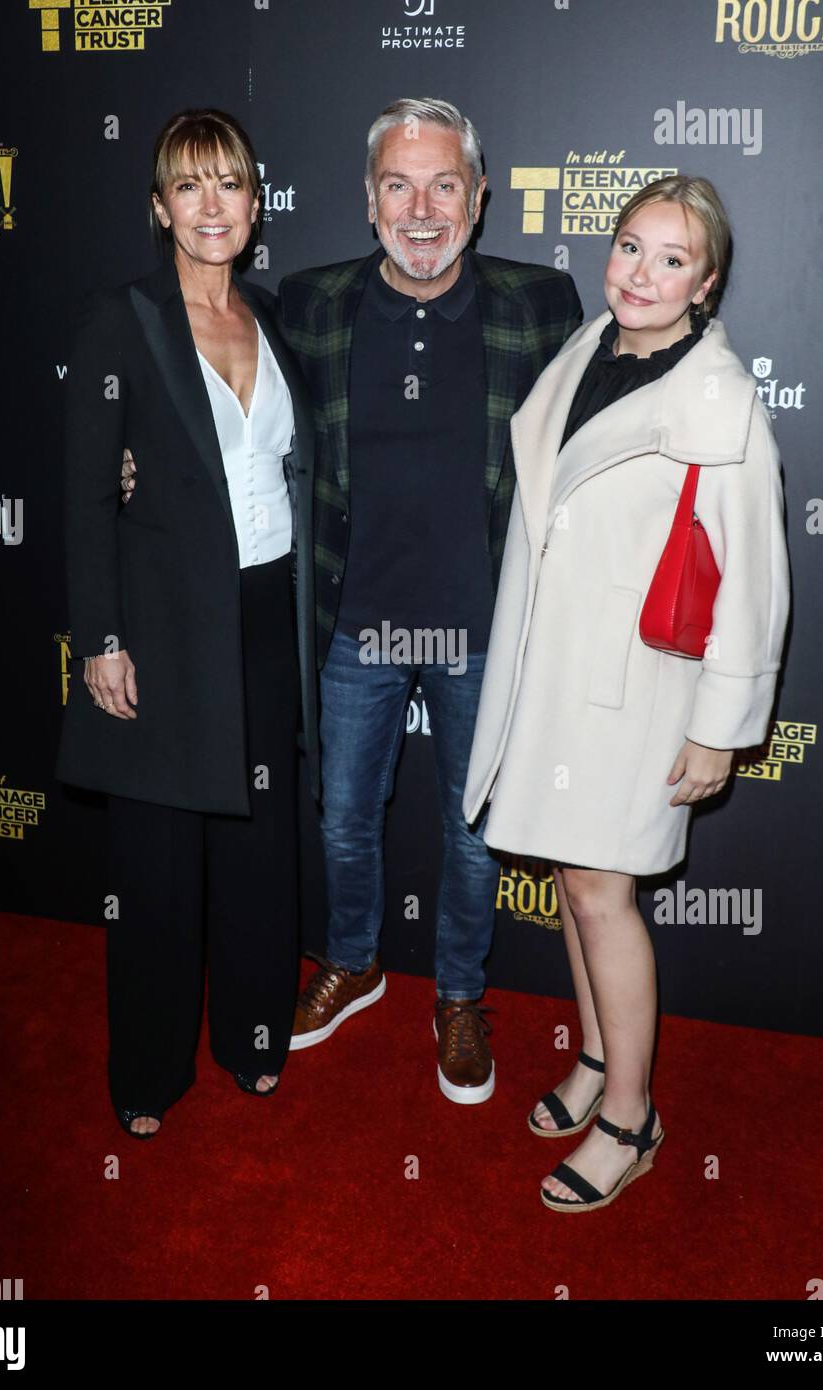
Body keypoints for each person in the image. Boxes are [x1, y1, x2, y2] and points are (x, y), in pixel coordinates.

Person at [463, 175, 789, 1204]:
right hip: (556, 674)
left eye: (672, 259)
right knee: (573, 877)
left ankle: (631, 1117)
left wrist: (720, 731)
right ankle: (601, 1056)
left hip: (636, 691)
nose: (641, 274)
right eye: (629, 247)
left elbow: (756, 579)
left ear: (709, 281)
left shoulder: (719, 396)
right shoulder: (588, 348)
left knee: (605, 896)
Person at [276, 98, 583, 1104]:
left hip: (482, 627)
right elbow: (239, 429)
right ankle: (356, 960)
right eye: (399, 186)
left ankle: (458, 992)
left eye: (444, 184)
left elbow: (593, 454)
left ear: (480, 197)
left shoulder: (540, 306)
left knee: (470, 830)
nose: (422, 209)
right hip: (351, 620)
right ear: (369, 202)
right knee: (343, 819)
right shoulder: (310, 304)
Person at [56, 109, 319, 1138]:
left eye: (233, 185)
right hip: (164, 628)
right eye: (191, 185)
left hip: (267, 614)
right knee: (156, 867)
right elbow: (86, 493)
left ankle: (255, 1037)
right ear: (161, 205)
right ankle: (147, 1074)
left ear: (256, 205)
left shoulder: (274, 317)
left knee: (259, 848)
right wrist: (101, 637)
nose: (214, 206)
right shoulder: (121, 321)